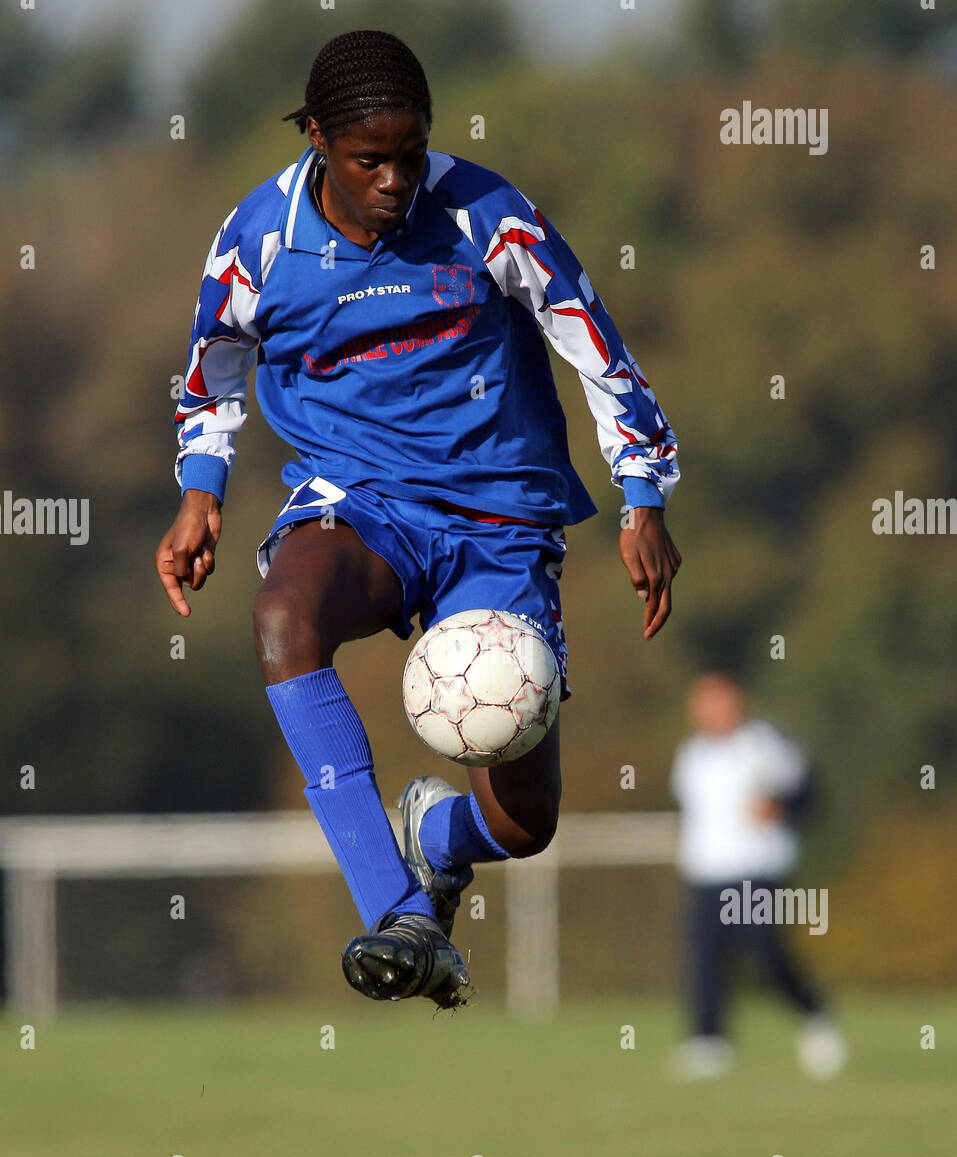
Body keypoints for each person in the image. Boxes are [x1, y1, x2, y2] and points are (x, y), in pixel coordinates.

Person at [155, 29, 681, 1009]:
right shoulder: (258, 241)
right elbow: (210, 369)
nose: (397, 179)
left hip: (501, 519)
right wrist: (200, 490)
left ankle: (439, 838)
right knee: (281, 618)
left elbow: (597, 348)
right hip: (362, 504)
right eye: (370, 160)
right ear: (318, 139)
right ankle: (398, 913)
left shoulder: (490, 215)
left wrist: (642, 496)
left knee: (527, 823)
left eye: (410, 152)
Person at [668, 672, 846, 1078]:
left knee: (766, 958)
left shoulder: (765, 744)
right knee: (705, 960)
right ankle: (709, 1041)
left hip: (756, 872)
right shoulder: (691, 755)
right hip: (705, 873)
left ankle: (814, 1012)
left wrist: (780, 804)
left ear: (736, 701)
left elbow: (809, 793)